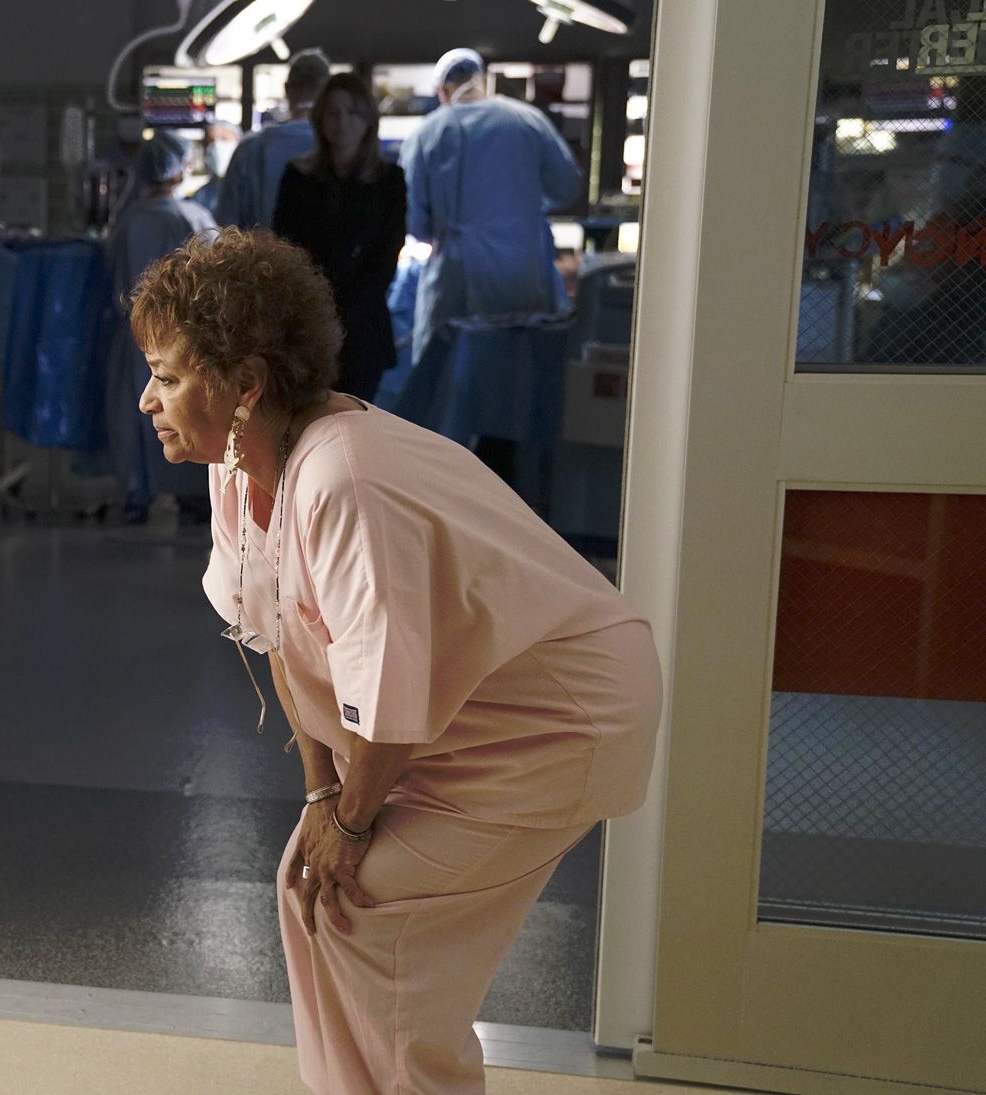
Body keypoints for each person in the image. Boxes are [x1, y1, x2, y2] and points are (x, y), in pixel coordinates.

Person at [126, 228, 660, 1094]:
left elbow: (389, 691)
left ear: (246, 386)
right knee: (309, 890)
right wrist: (322, 795)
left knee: (370, 905)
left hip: (562, 718)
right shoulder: (238, 468)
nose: (147, 401)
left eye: (169, 376)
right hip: (466, 718)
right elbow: (285, 646)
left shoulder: (344, 477)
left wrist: (353, 819)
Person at [400, 48, 582, 367]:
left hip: (456, 281)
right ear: (482, 81)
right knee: (517, 382)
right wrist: (521, 208)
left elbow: (416, 224)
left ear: (442, 90)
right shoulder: (527, 120)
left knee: (447, 392)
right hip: (523, 276)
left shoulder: (428, 132)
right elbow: (567, 188)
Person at [273, 73, 406, 402]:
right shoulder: (298, 178)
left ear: (368, 121)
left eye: (352, 112)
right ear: (320, 119)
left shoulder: (389, 180)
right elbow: (285, 250)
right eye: (333, 112)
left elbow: (385, 257)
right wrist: (315, 308)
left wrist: (343, 310)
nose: (342, 122)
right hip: (306, 326)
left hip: (363, 329)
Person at [107, 131, 218, 525]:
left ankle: (138, 495)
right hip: (188, 342)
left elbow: (110, 282)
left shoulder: (126, 222)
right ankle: (191, 497)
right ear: (181, 170)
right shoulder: (194, 220)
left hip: (134, 338)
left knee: (138, 419)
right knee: (188, 413)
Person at [215, 48, 331, 229]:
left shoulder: (250, 148)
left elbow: (226, 226)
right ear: (328, 93)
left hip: (262, 257)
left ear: (286, 89)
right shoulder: (339, 146)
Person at [190, 121, 241, 215]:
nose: (217, 145)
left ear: (239, 144)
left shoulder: (253, 189)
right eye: (210, 141)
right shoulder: (200, 198)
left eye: (224, 139)